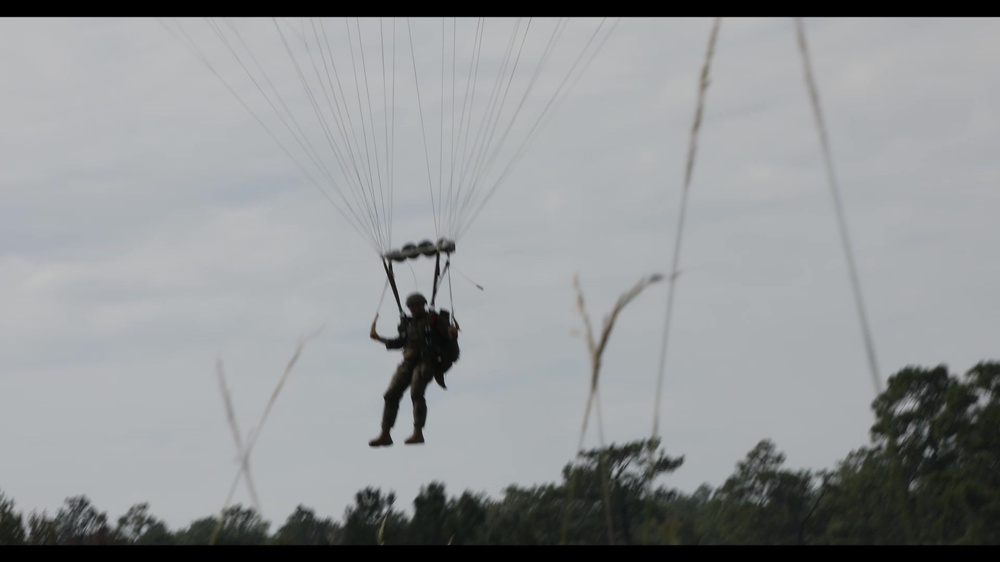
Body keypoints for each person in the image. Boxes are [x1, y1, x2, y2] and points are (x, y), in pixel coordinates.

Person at [368, 292, 458, 447]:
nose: (413, 310)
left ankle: (418, 432)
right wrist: (378, 338)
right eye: (411, 307)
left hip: (427, 361)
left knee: (416, 392)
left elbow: (449, 336)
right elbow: (399, 342)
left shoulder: (433, 320)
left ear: (422, 305)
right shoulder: (410, 324)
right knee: (391, 394)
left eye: (415, 307)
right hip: (409, 361)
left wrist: (452, 334)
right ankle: (385, 433)